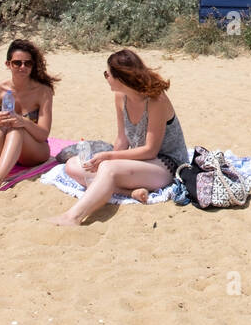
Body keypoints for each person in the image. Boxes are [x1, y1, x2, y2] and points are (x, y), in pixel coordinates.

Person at [49, 50, 188, 226]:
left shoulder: (155, 100)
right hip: (141, 162)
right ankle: (129, 192)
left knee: (107, 168)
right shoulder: (120, 97)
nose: (106, 77)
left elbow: (151, 150)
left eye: (107, 74)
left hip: (167, 163)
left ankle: (73, 217)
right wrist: (107, 161)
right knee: (73, 165)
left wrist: (108, 158)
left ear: (121, 77)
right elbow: (122, 139)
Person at [0, 39, 58, 195]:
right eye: (17, 63)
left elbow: (43, 134)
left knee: (17, 129)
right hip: (7, 149)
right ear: (8, 64)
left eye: (28, 63)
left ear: (33, 65)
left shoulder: (42, 92)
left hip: (35, 151)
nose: (23, 67)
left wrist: (23, 121)